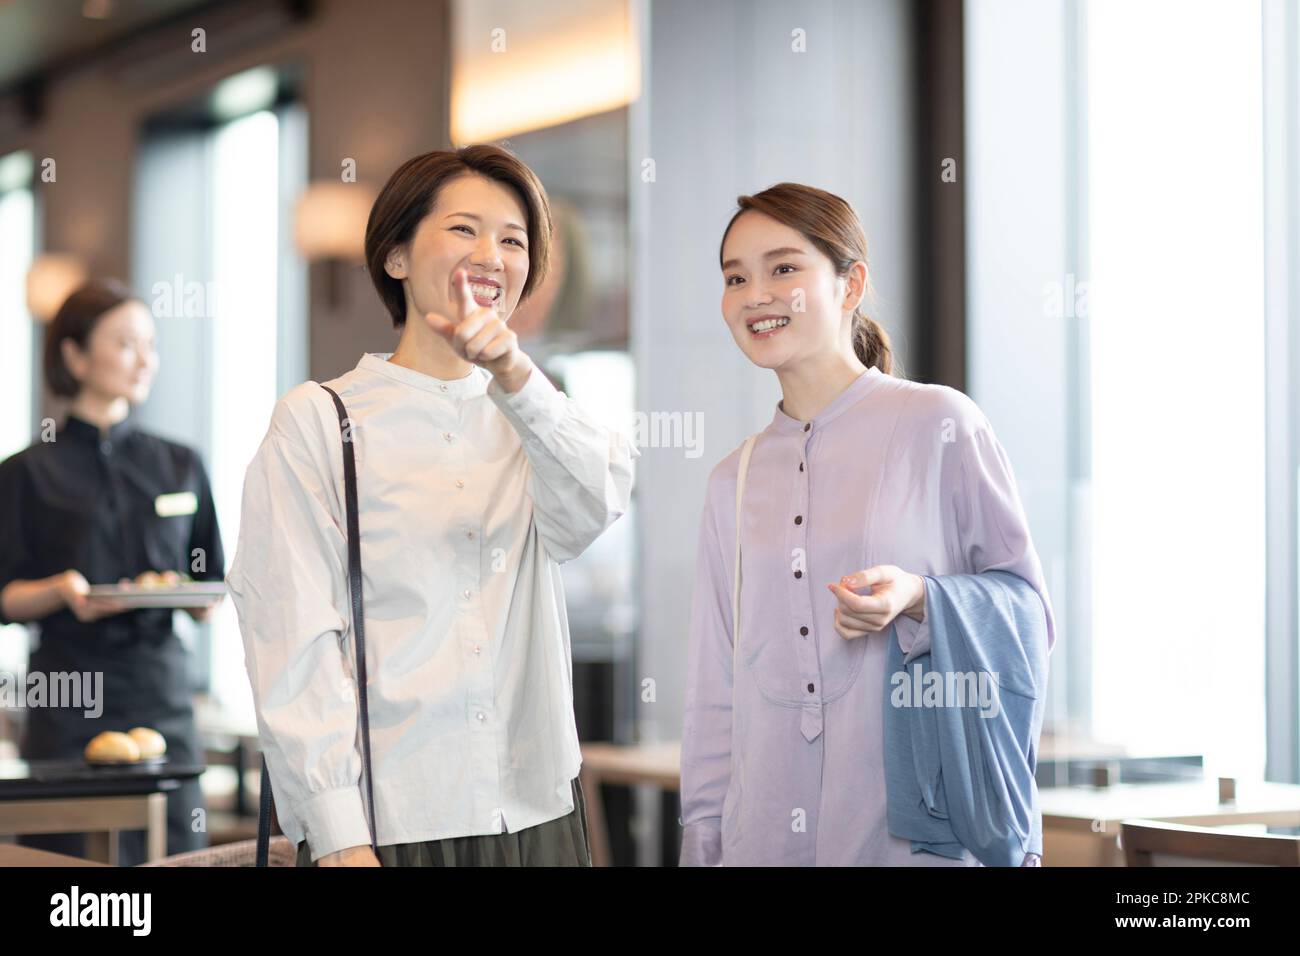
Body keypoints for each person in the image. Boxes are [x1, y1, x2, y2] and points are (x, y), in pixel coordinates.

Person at [227, 145, 636, 867]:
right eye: (464, 230)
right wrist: (338, 836)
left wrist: (514, 373)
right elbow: (293, 640)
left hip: (539, 813)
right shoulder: (320, 421)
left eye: (513, 241)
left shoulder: (534, 415)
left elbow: (594, 507)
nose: (492, 254)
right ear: (396, 258)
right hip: (395, 820)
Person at [679, 183, 1056, 866]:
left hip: (909, 842)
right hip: (760, 842)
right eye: (736, 277)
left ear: (851, 284)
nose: (756, 293)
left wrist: (919, 598)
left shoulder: (940, 425)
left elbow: (1030, 615)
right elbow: (714, 696)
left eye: (784, 268)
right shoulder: (729, 483)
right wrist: (702, 843)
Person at [0, 278, 225, 865]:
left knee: (175, 854)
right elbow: (3, 597)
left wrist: (192, 595)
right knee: (70, 868)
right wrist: (58, 590)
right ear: (74, 355)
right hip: (68, 693)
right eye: (125, 343)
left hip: (161, 690)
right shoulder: (26, 472)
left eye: (150, 343)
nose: (145, 358)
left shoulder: (181, 463)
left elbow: (210, 584)